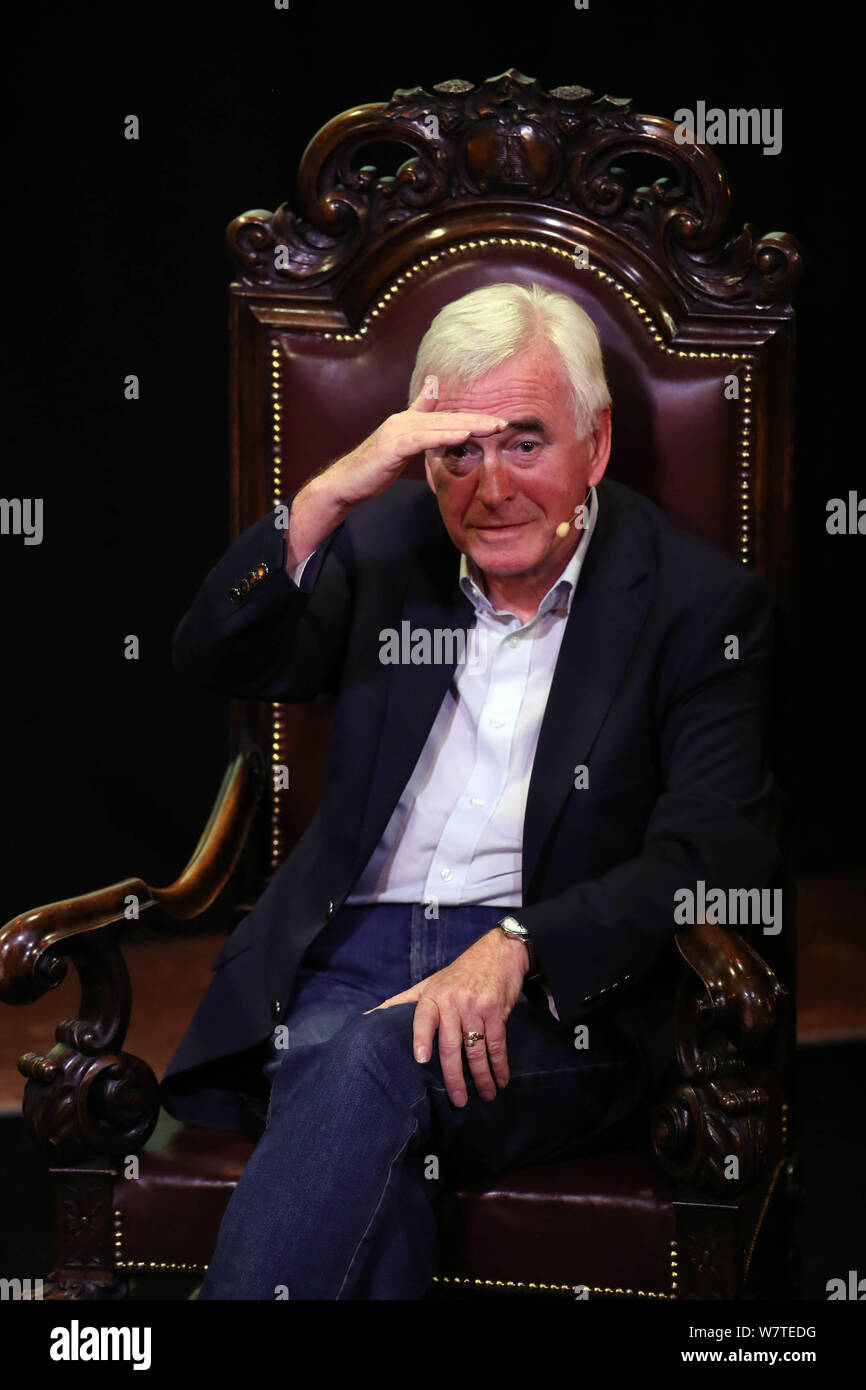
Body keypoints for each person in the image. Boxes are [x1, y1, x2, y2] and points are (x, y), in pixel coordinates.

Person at [161, 282, 782, 1300]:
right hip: (345, 959)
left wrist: (521, 943)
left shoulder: (697, 605)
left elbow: (717, 851)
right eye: (459, 449)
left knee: (355, 1068)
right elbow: (213, 652)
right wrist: (327, 495)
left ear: (597, 442)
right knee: (362, 1118)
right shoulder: (386, 550)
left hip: (552, 993)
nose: (489, 486)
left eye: (524, 442)